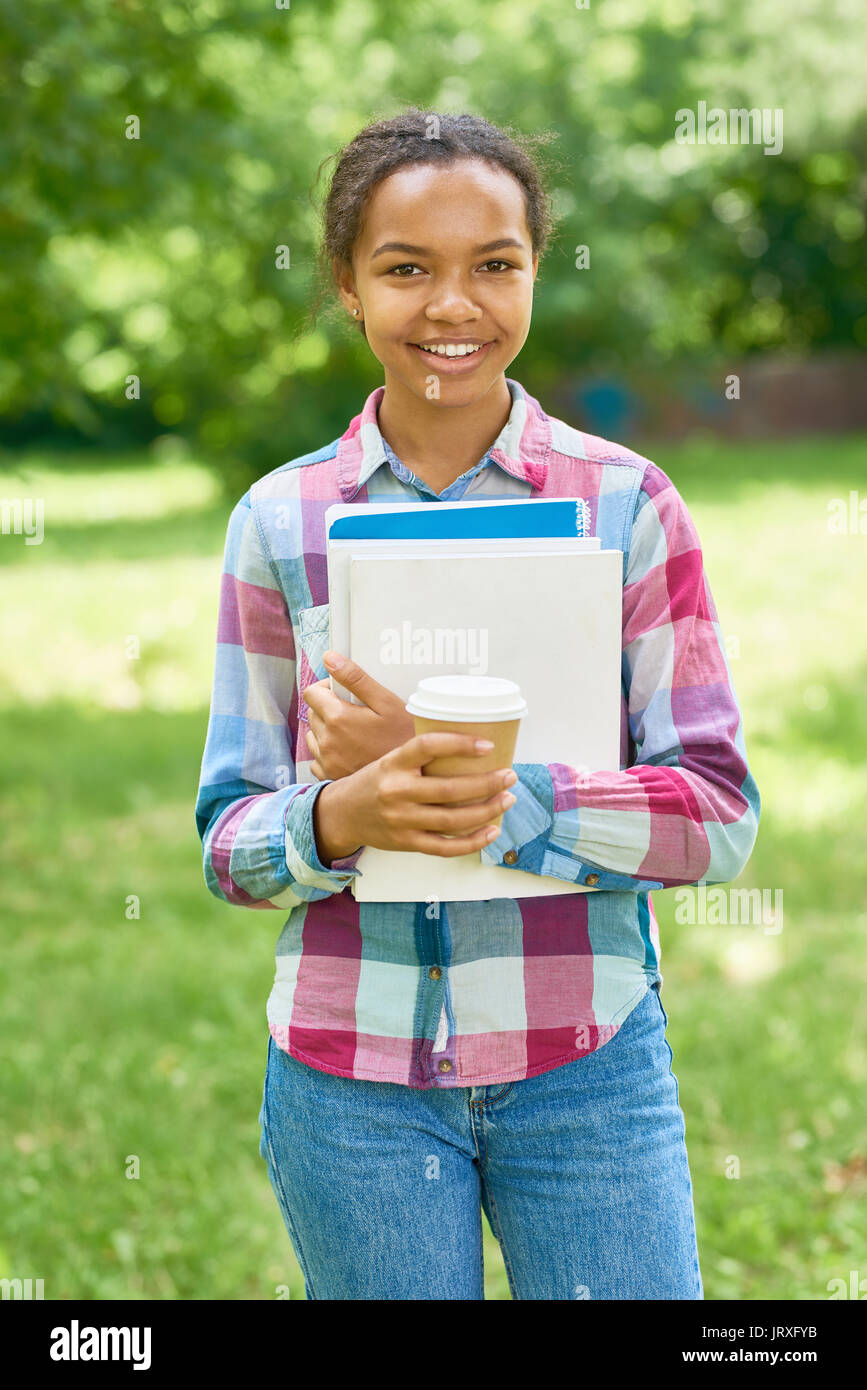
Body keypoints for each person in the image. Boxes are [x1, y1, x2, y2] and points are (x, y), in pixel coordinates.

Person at [194, 108, 760, 1300]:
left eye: (494, 265)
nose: (454, 306)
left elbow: (715, 817)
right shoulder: (279, 526)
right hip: (351, 1086)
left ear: (535, 271)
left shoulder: (629, 507)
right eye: (407, 269)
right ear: (349, 285)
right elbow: (231, 846)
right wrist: (346, 811)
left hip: (585, 1066)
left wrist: (478, 790)